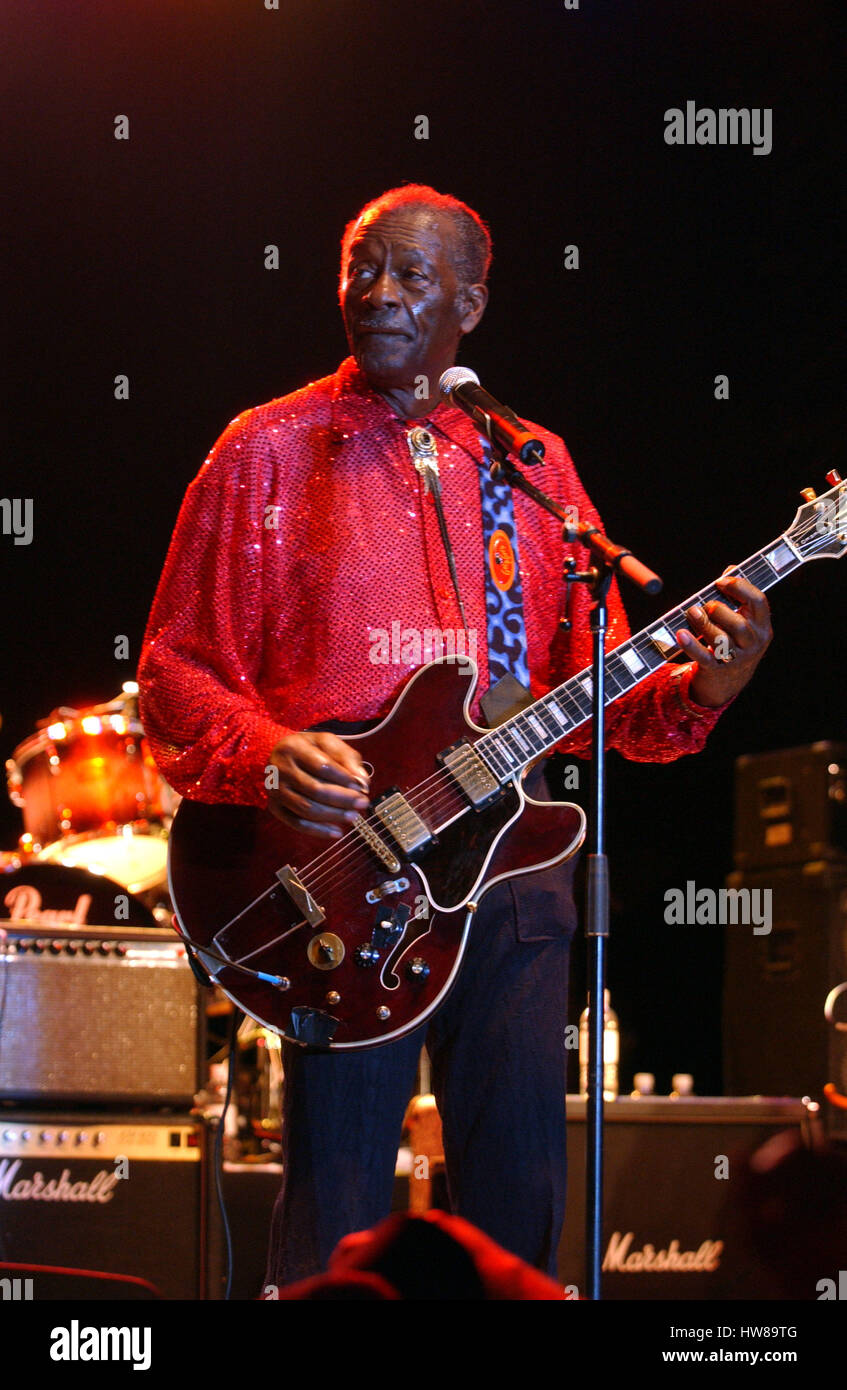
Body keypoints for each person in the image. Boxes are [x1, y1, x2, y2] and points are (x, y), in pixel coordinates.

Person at [137, 184, 772, 1285]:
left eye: (411, 275)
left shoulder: (534, 469)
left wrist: (711, 680)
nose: (377, 293)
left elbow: (603, 699)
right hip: (339, 877)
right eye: (361, 268)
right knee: (336, 1214)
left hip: (514, 876)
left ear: (470, 305)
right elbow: (173, 672)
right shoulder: (266, 450)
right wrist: (266, 749)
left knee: (518, 1200)